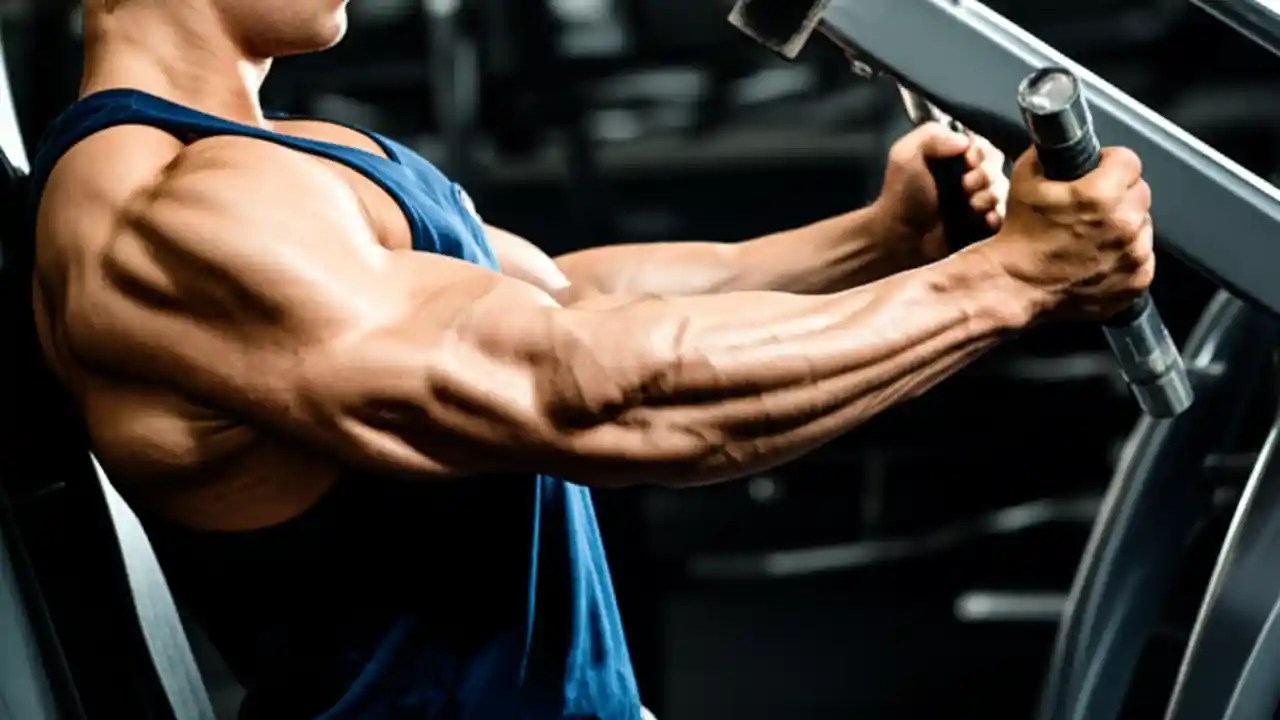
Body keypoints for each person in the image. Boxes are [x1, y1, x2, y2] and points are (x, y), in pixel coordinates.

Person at [27, 0, 1154, 718]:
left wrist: (876, 244)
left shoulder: (286, 158)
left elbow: (563, 298)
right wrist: (1006, 282)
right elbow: (572, 391)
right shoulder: (166, 219)